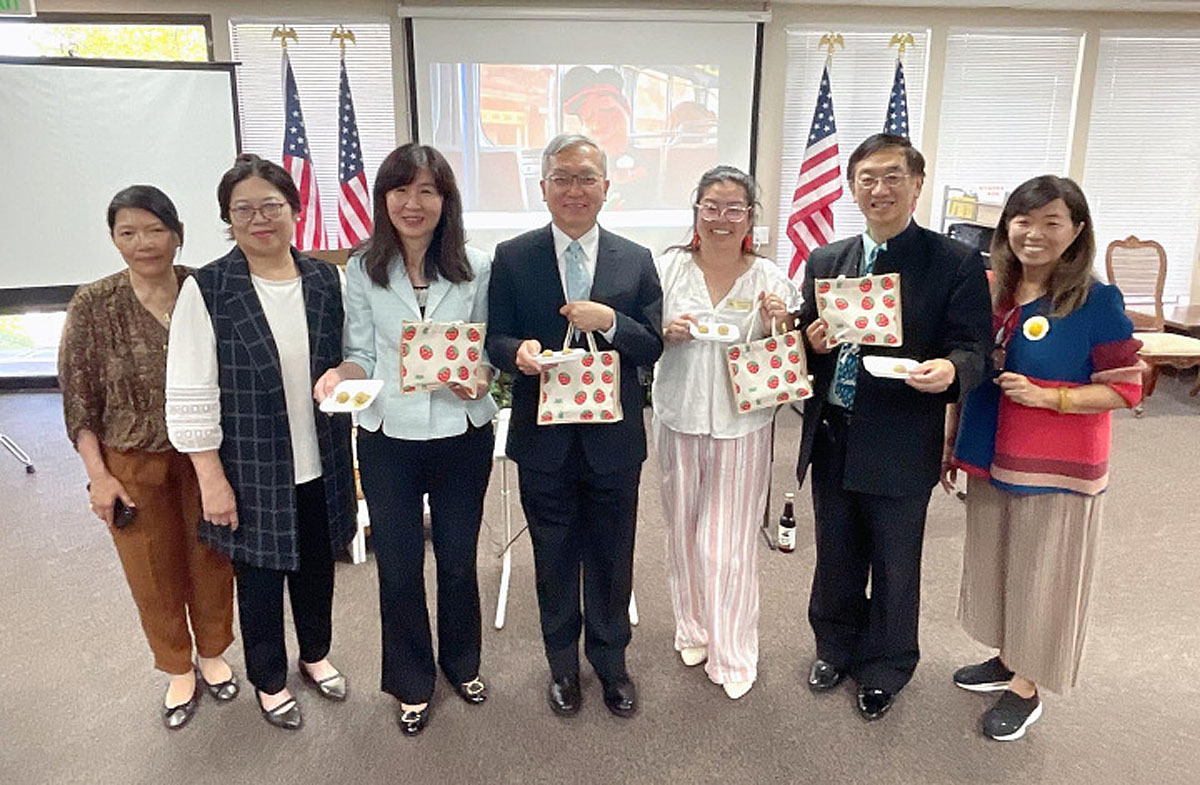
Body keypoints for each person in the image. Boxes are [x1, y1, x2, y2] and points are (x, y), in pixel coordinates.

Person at [795, 133, 992, 720]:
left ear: (916, 185)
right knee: (836, 550)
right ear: (852, 187)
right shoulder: (828, 260)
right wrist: (811, 340)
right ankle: (833, 644)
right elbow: (809, 341)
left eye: (891, 177)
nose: (878, 189)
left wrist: (949, 370)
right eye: (866, 179)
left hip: (902, 432)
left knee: (895, 557)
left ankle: (886, 665)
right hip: (834, 428)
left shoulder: (952, 262)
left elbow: (974, 348)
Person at [944, 175, 1143, 741]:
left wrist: (1051, 396)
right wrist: (952, 442)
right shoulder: (993, 291)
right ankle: (1009, 658)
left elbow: (1126, 388)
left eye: (1052, 221)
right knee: (1000, 560)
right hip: (990, 449)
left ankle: (1027, 686)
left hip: (1056, 465)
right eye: (1023, 220)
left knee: (1043, 572)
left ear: (1076, 230)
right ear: (1007, 227)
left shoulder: (1097, 300)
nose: (1035, 233)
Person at [166, 154, 356, 731]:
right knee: (260, 581)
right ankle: (269, 682)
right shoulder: (209, 288)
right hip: (247, 465)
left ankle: (316, 655)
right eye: (242, 209)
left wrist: (347, 372)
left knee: (319, 568)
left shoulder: (327, 278)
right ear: (228, 220)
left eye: (271, 206)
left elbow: (352, 356)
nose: (258, 219)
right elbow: (190, 387)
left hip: (320, 456)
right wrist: (210, 479)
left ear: (294, 211)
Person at [313, 143, 497, 736]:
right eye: (400, 190)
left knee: (458, 559)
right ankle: (412, 683)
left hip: (461, 431)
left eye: (426, 191)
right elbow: (363, 352)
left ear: (445, 200)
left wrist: (481, 379)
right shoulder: (364, 266)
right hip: (387, 434)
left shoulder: (476, 263)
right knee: (396, 566)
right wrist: (342, 375)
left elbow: (486, 349)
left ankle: (462, 663)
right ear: (384, 198)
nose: (412, 203)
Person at [487, 133, 663, 718]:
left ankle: (612, 665)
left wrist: (612, 320)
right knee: (554, 558)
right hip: (544, 442)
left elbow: (653, 345)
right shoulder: (513, 257)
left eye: (587, 177)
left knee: (613, 559)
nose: (574, 189)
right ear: (543, 188)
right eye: (562, 178)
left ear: (606, 188)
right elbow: (494, 338)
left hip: (614, 442)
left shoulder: (635, 259)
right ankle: (562, 666)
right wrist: (520, 353)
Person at [60, 185, 238, 730]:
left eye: (155, 230)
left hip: (206, 455)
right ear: (114, 240)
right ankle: (177, 666)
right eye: (128, 232)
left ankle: (211, 654)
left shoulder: (203, 290)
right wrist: (99, 478)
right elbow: (79, 400)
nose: (143, 243)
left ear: (178, 234)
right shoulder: (94, 303)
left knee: (212, 557)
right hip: (131, 461)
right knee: (152, 569)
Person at [651, 165, 795, 700]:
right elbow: (646, 334)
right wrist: (665, 330)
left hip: (743, 424)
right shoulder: (667, 269)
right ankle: (692, 626)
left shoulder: (768, 277)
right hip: (677, 417)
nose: (721, 219)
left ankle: (733, 652)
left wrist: (779, 320)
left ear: (750, 217)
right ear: (696, 210)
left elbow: (785, 347)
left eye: (734, 209)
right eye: (711, 207)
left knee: (726, 545)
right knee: (684, 532)